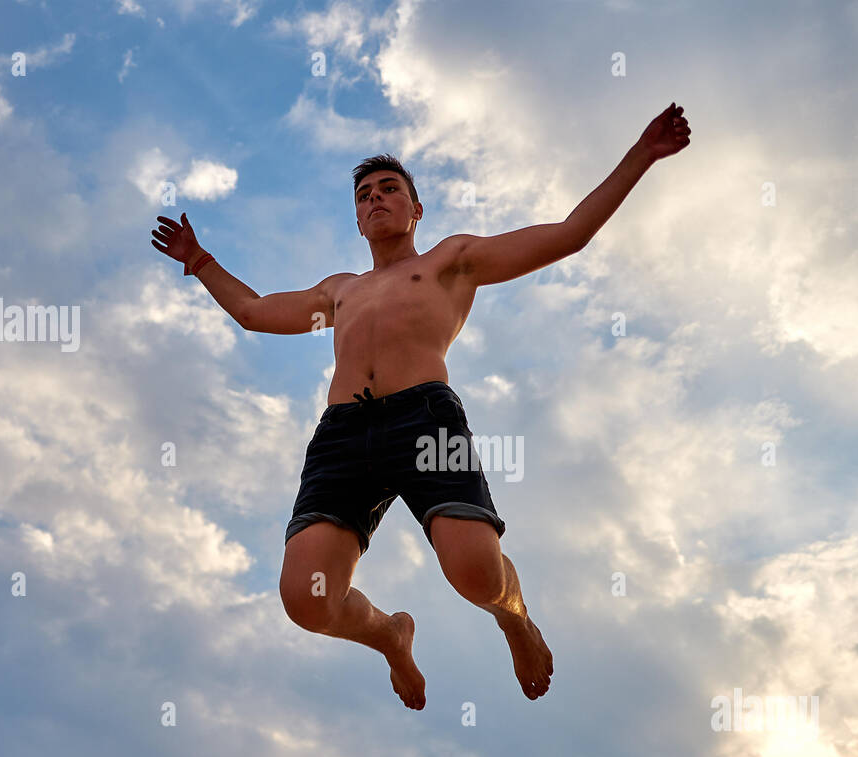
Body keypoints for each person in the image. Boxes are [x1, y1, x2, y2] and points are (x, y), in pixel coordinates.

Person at [151, 102, 691, 710]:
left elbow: (570, 235)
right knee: (307, 599)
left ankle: (514, 618)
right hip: (343, 436)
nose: (375, 199)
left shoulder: (451, 263)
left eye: (389, 189)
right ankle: (389, 636)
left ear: (416, 209)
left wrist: (642, 153)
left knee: (476, 574)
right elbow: (253, 313)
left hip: (424, 420)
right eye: (364, 196)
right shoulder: (340, 291)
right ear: (358, 220)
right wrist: (199, 262)